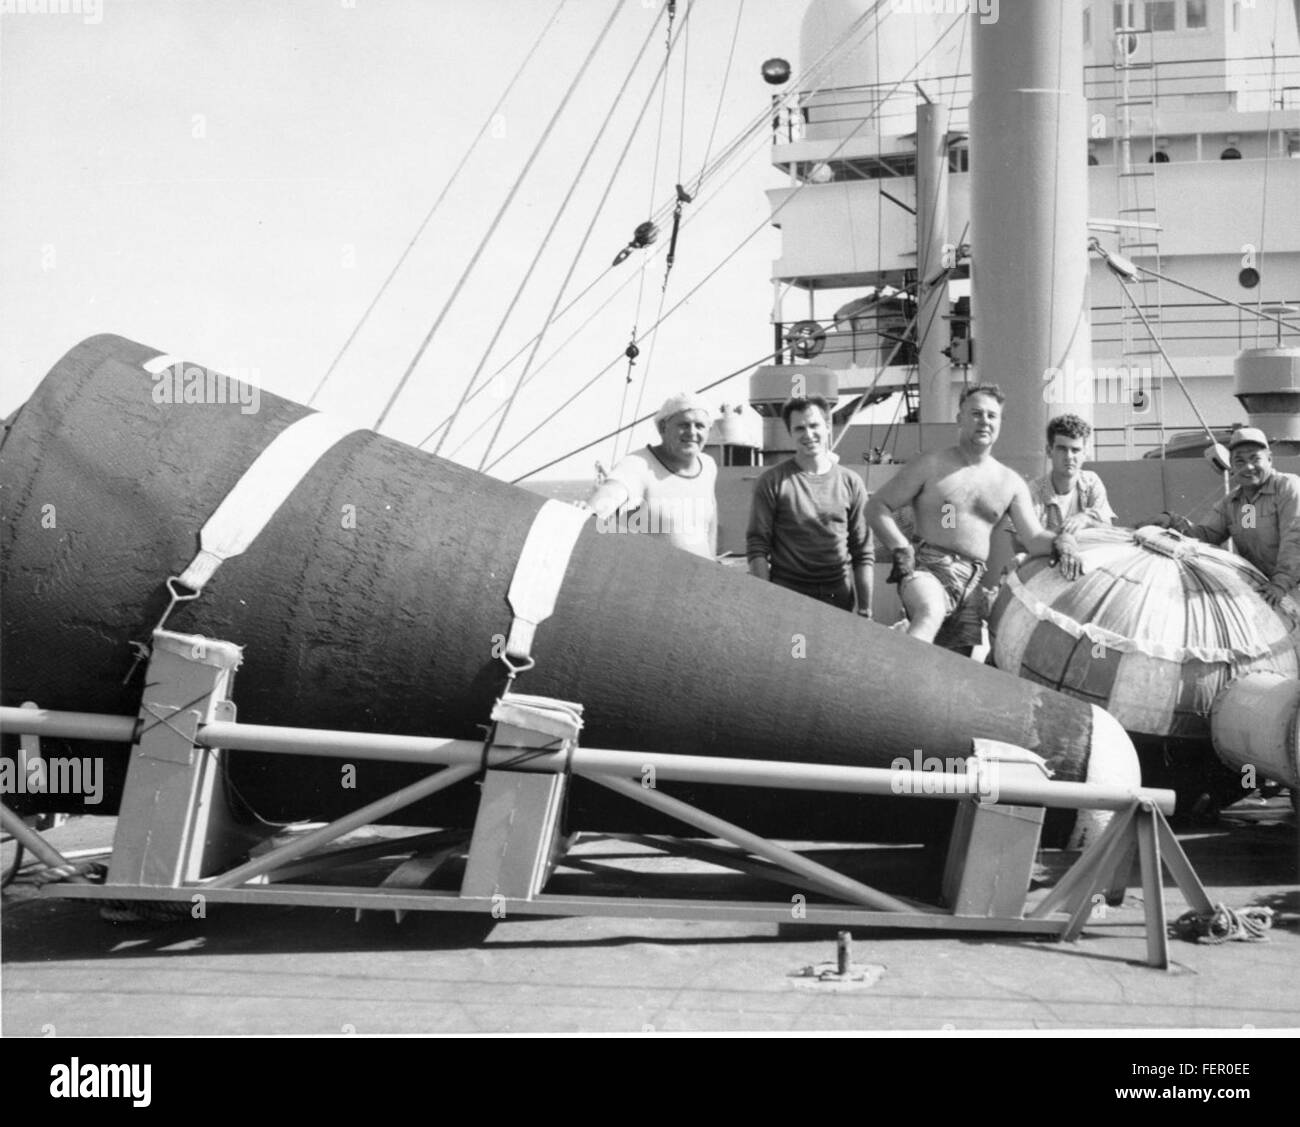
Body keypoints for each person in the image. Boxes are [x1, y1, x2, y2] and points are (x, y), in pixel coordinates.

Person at [865, 384, 1084, 655]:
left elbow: (1034, 539)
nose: (984, 421)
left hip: (971, 583)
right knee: (930, 612)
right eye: (976, 413)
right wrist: (900, 546)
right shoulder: (931, 464)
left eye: (992, 416)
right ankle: (898, 686)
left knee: (960, 662)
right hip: (928, 568)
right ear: (960, 418)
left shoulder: (1011, 483)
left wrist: (1062, 541)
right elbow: (877, 506)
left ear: (1000, 423)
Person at [746, 396, 874, 616]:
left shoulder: (851, 482)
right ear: (790, 433)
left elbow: (862, 551)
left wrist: (865, 609)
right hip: (787, 596)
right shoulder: (771, 481)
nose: (808, 434)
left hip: (838, 598)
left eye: (814, 425)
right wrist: (766, 601)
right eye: (799, 428)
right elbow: (757, 545)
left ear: (827, 427)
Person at [1156, 427, 1300, 607]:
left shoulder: (1287, 487)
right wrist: (1172, 521)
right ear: (1231, 466)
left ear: (1269, 459)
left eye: (1255, 459)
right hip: (1266, 592)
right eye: (1239, 461)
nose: (1248, 467)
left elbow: (1295, 538)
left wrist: (1281, 584)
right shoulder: (1236, 502)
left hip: (1290, 587)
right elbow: (1207, 535)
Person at [577, 392, 718, 559]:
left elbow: (710, 521)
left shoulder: (708, 466)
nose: (692, 432)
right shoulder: (638, 465)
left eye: (700, 426)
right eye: (684, 425)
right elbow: (612, 492)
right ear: (663, 428)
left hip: (701, 579)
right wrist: (590, 511)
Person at [1002, 413, 1116, 558]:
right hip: (1044, 564)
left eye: (1075, 450)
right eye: (1062, 449)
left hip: (1086, 561)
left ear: (1085, 453)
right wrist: (1060, 538)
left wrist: (1087, 519)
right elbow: (1018, 541)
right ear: (1049, 451)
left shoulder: (1091, 482)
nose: (1069, 456)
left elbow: (1108, 529)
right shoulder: (1032, 492)